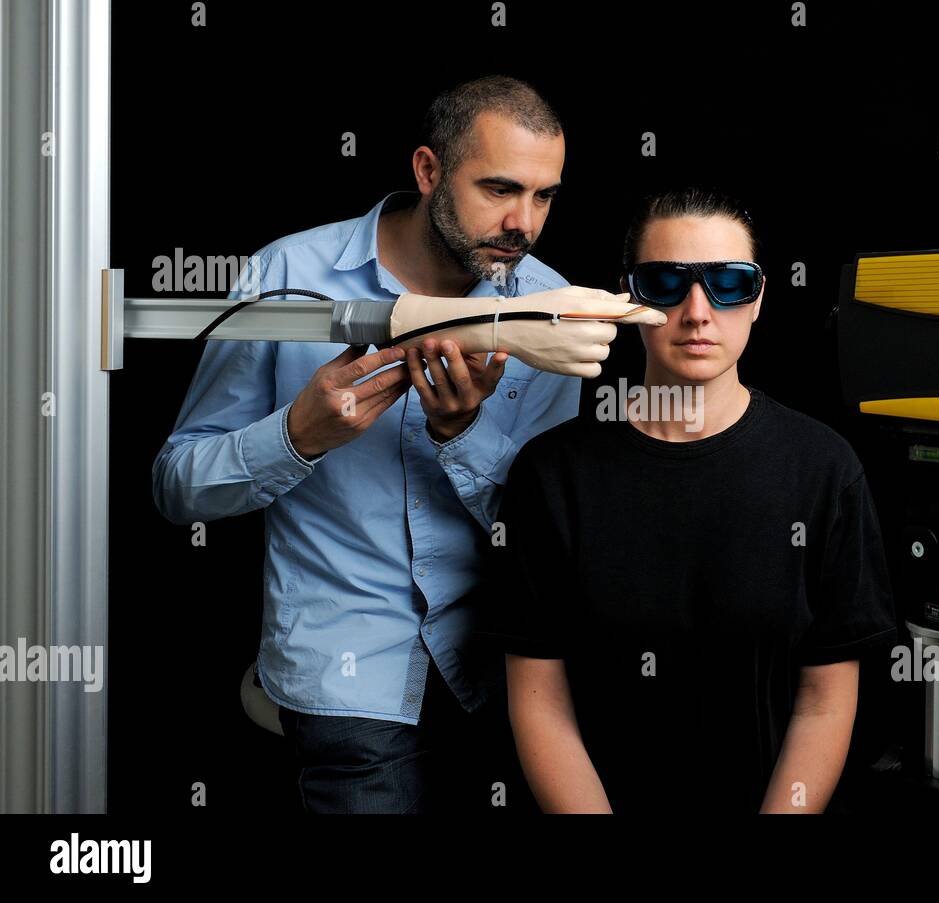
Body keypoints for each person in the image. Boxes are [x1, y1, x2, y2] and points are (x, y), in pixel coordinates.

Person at [152, 75, 638, 814]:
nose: (523, 222)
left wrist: (462, 433)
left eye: (544, 196)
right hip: (347, 681)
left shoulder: (550, 310)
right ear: (427, 170)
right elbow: (177, 484)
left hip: (502, 675)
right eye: (500, 188)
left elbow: (548, 535)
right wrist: (296, 436)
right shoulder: (286, 277)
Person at [485, 187, 898, 813]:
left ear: (758, 298)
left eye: (729, 283)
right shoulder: (552, 474)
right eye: (666, 283)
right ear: (629, 299)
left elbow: (826, 699)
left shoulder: (823, 469)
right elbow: (539, 698)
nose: (698, 311)